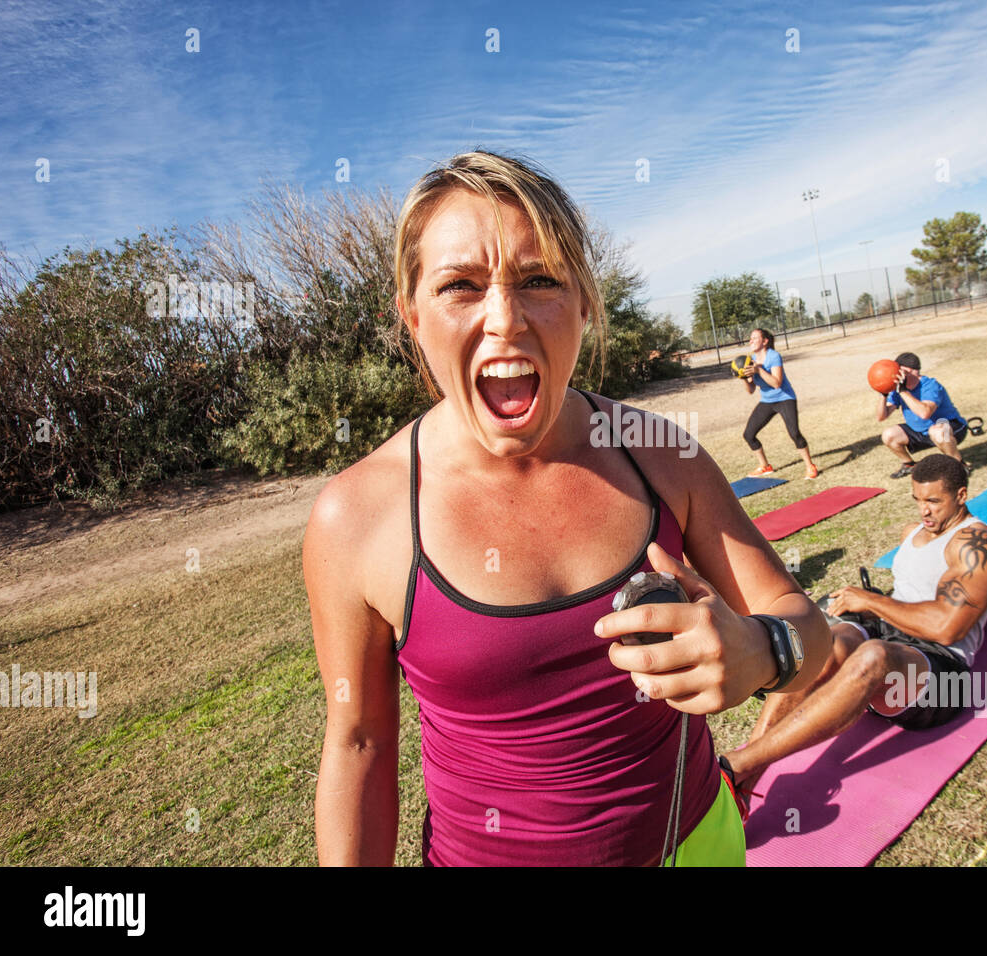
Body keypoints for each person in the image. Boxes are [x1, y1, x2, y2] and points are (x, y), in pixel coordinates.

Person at [303, 150, 830, 867]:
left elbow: (810, 634)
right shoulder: (356, 515)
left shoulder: (659, 455)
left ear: (583, 301)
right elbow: (358, 742)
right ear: (412, 315)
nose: (505, 319)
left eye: (540, 279)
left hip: (699, 844)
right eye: (460, 285)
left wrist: (764, 653)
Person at [719, 455, 987, 817]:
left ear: (962, 495)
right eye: (918, 499)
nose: (924, 511)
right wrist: (864, 604)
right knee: (824, 642)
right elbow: (907, 596)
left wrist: (870, 600)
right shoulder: (914, 533)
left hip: (941, 670)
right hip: (891, 635)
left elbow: (946, 628)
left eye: (934, 501)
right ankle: (744, 777)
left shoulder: (979, 545)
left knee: (875, 656)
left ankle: (736, 763)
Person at [740, 328, 819, 480]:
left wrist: (759, 370)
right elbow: (750, 390)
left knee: (794, 433)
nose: (751, 341)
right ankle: (765, 466)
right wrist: (743, 378)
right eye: (750, 338)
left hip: (785, 398)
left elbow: (776, 383)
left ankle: (810, 466)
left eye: (755, 338)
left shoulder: (773, 356)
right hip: (767, 401)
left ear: (765, 341)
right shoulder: (750, 360)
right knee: (748, 435)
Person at [877, 352, 970, 479]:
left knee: (937, 431)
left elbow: (925, 413)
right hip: (921, 432)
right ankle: (909, 465)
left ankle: (959, 466)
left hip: (949, 427)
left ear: (908, 371)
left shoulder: (930, 385)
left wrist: (903, 391)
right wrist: (883, 395)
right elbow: (881, 417)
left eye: (898, 370)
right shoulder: (898, 388)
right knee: (889, 435)